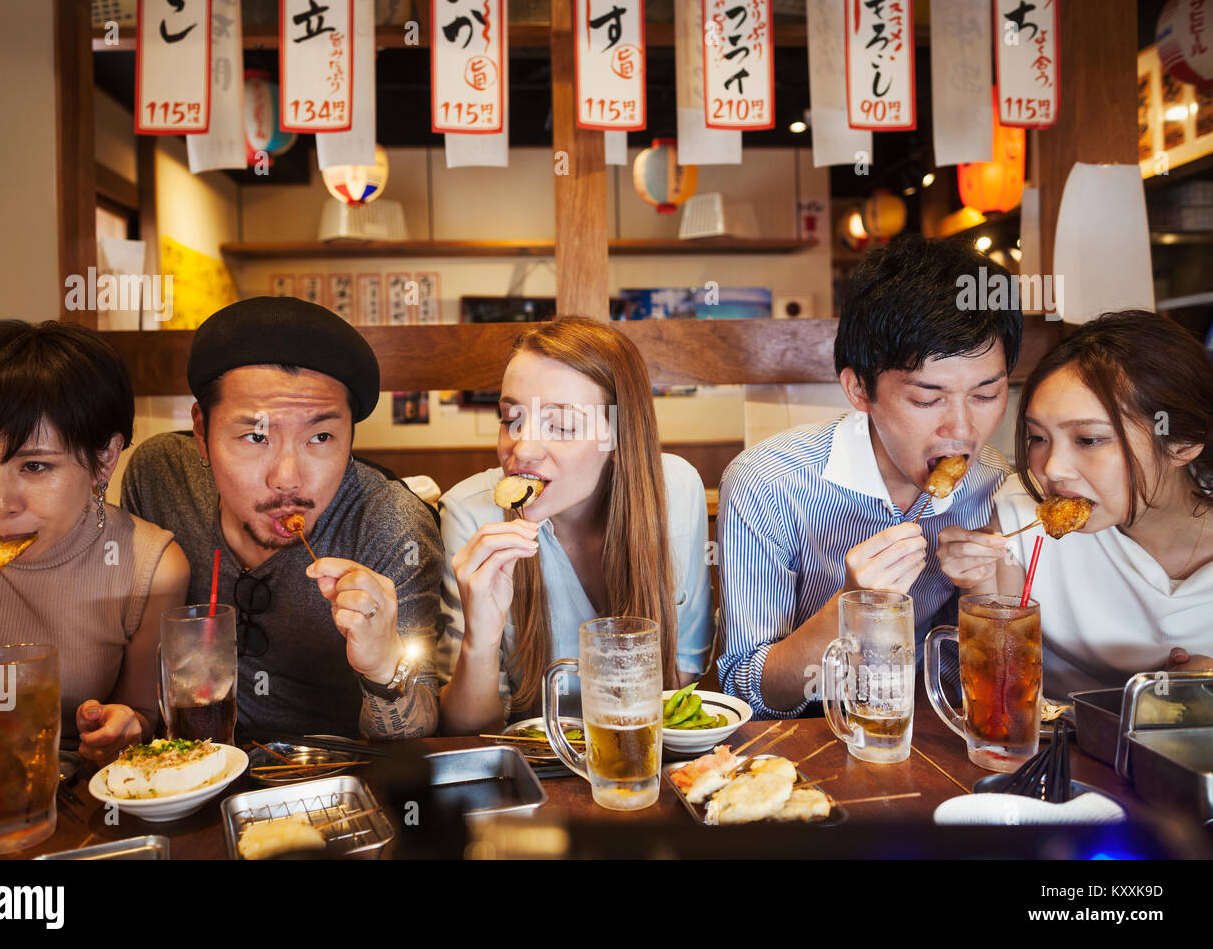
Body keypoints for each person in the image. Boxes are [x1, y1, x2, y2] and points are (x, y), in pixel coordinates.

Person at [718, 235, 1023, 718]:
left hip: (932, 740)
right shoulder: (768, 483)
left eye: (986, 396)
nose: (962, 430)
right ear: (859, 388)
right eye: (926, 399)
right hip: (812, 746)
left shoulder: (995, 485)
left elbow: (990, 692)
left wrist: (982, 593)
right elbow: (748, 691)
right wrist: (851, 608)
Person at [120, 297, 442, 740]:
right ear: (201, 430)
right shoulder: (160, 477)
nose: (288, 479)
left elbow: (416, 732)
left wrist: (385, 667)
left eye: (321, 437)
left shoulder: (389, 523)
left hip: (333, 781)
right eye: (256, 436)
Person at [0, 321, 189, 762]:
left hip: (65, 791)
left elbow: (138, 719)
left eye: (35, 467)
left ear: (104, 459)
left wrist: (121, 728)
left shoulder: (149, 567)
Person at [437, 317, 713, 733]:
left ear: (619, 437)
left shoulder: (675, 491)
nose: (522, 449)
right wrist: (481, 638)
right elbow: (466, 732)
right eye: (510, 418)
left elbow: (679, 677)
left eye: (561, 425)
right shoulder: (471, 513)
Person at [938, 310, 1213, 697]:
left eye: (1088, 440)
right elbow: (997, 693)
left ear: (1183, 441)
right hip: (1056, 749)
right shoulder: (1022, 513)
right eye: (1037, 438)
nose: (1052, 468)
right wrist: (979, 581)